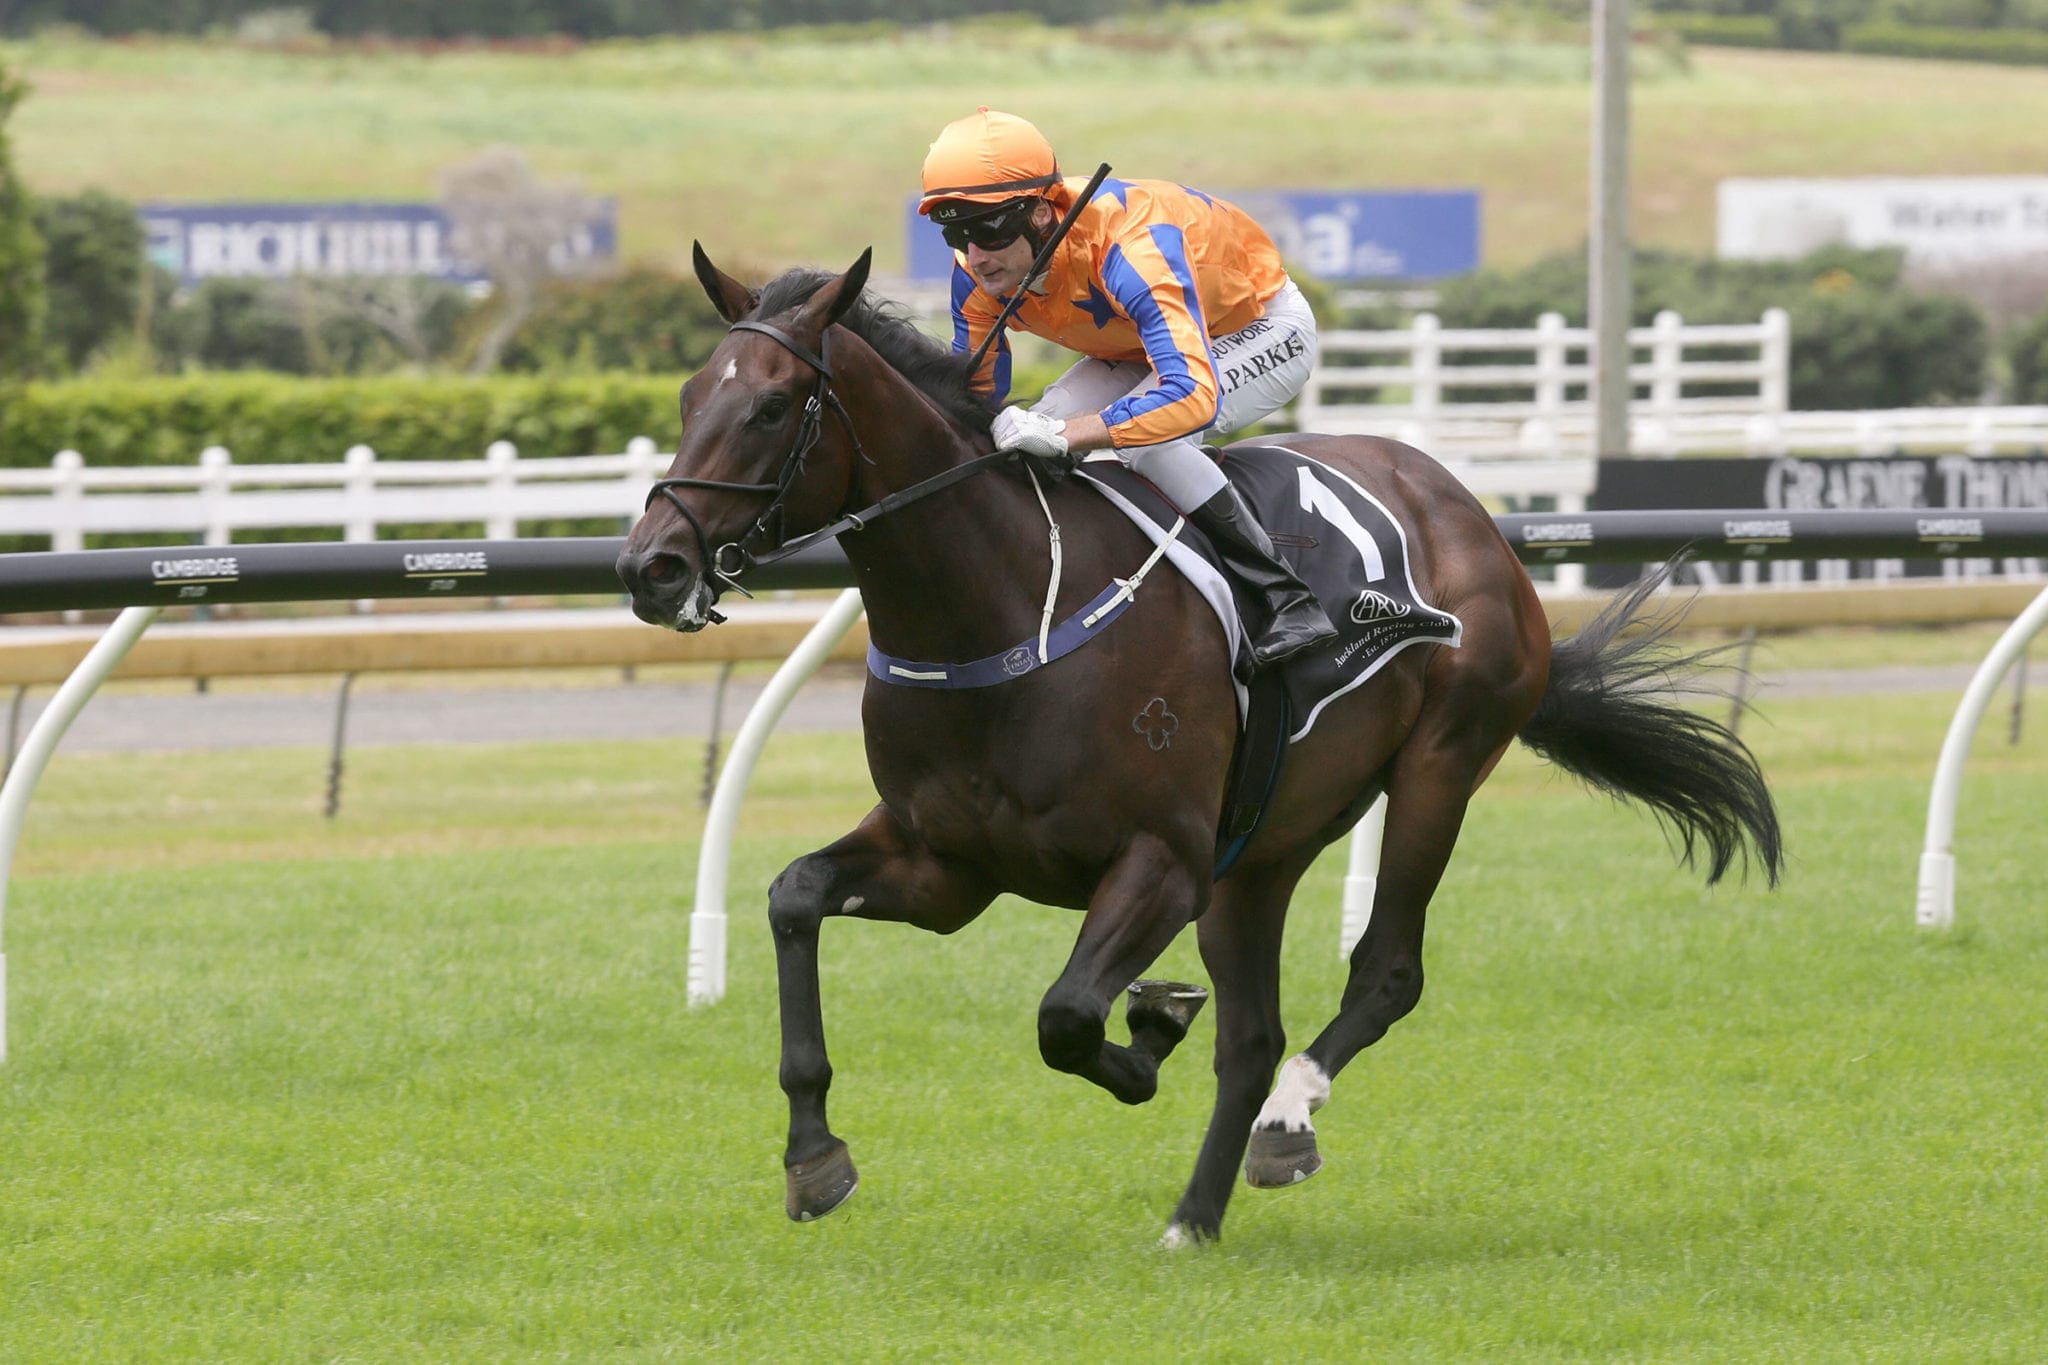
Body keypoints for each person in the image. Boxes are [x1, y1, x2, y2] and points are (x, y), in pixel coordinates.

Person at [918, 107, 1338, 670]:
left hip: (1256, 328)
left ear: (1042, 214)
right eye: (957, 231)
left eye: (988, 229)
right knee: (1030, 427)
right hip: (1139, 346)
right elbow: (975, 400)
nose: (975, 254)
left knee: (1145, 440)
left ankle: (1286, 597)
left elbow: (1190, 394)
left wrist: (1071, 435)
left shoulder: (1131, 247)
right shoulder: (975, 271)